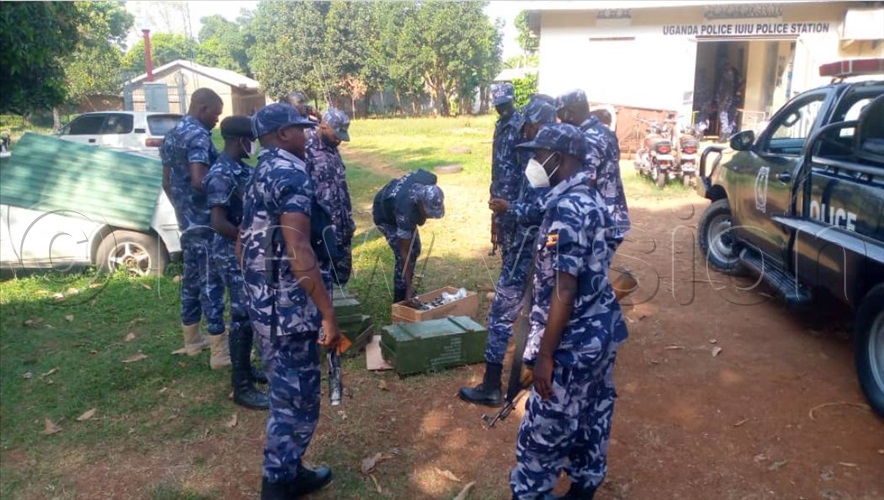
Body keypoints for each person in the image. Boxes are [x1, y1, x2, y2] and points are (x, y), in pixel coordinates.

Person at [511, 123, 628, 500]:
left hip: (571, 346)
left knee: (540, 440)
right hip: (598, 336)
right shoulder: (591, 198)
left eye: (537, 153)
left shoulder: (567, 209)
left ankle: (529, 492)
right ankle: (584, 485)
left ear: (557, 158)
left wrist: (544, 356)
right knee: (591, 416)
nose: (533, 161)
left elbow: (565, 288)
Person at [240, 103, 342, 499]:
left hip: (264, 304)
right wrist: (327, 313)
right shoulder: (290, 174)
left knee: (287, 394)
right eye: (300, 130)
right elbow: (298, 248)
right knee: (296, 403)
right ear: (282, 135)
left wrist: (255, 291)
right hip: (289, 310)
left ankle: (289, 470)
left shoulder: (259, 172)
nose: (307, 135)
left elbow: (242, 240)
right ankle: (278, 484)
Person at [459, 95, 557, 407]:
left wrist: (509, 208)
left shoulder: (546, 161)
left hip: (526, 250)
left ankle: (492, 386)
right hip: (533, 247)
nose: (524, 128)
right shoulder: (550, 157)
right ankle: (522, 379)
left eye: (529, 122)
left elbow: (542, 208)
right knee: (535, 312)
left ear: (540, 122)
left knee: (502, 313)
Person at [202, 116, 270, 411]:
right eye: (250, 140)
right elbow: (218, 221)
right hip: (232, 253)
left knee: (251, 312)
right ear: (239, 140)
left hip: (247, 251)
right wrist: (247, 240)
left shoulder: (241, 168)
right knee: (242, 316)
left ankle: (248, 369)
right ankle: (241, 386)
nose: (253, 145)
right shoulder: (220, 173)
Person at [160, 88, 230, 369]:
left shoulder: (173, 133)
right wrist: (227, 188)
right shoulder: (198, 135)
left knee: (191, 279)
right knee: (211, 281)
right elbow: (200, 180)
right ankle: (219, 352)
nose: (217, 119)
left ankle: (192, 339)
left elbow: (166, 181)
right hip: (205, 222)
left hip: (186, 222)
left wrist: (181, 209)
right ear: (202, 107)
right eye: (216, 112)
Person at [556, 89, 630, 250]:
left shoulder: (588, 139)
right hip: (612, 215)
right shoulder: (604, 132)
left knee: (590, 270)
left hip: (599, 220)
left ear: (571, 112)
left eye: (561, 114)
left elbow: (584, 182)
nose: (561, 121)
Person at [371, 170, 445, 303]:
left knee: (415, 249)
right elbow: (404, 251)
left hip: (399, 201)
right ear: (420, 204)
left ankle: (407, 290)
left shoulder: (429, 179)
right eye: (428, 212)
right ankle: (401, 298)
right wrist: (409, 286)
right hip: (385, 216)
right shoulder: (405, 212)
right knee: (405, 256)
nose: (429, 216)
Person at [305, 107, 356, 288]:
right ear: (324, 126)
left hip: (342, 225)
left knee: (341, 275)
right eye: (337, 135)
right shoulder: (306, 147)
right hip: (321, 227)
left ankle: (337, 308)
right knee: (321, 277)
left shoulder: (332, 147)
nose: (339, 140)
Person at [489, 82, 524, 257]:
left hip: (515, 199)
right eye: (498, 104)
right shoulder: (500, 126)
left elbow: (527, 168)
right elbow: (496, 165)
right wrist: (492, 195)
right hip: (499, 195)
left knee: (515, 248)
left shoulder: (521, 126)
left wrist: (517, 202)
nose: (502, 108)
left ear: (513, 100)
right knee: (504, 244)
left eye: (505, 103)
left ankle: (511, 282)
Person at [716, 64, 743, 142]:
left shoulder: (728, 78)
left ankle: (725, 135)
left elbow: (726, 89)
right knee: (730, 117)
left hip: (727, 99)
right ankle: (728, 135)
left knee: (724, 116)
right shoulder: (735, 76)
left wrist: (723, 99)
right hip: (732, 99)